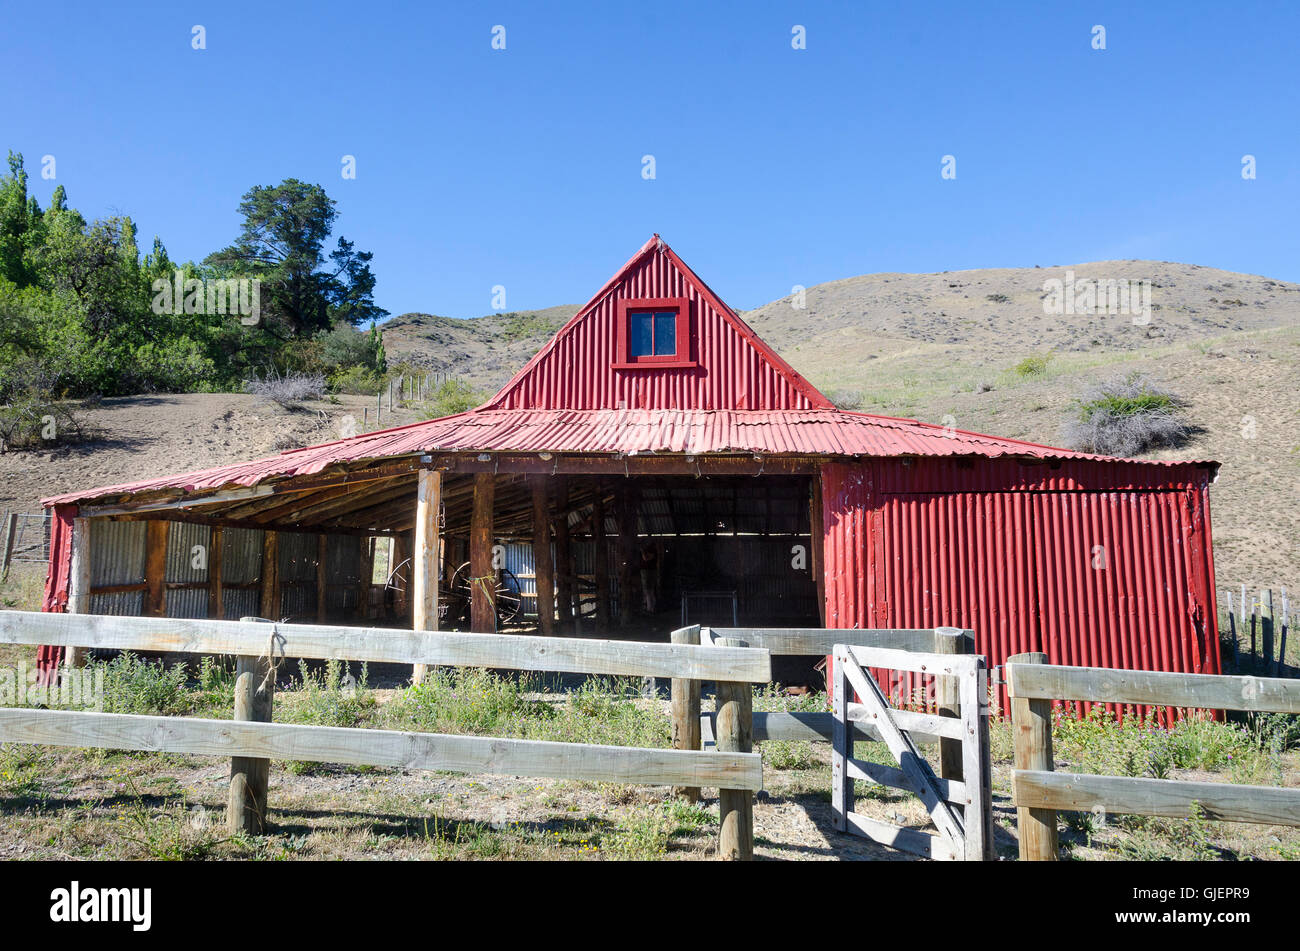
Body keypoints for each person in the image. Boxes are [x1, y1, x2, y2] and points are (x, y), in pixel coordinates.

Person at [639, 542, 658, 613]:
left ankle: (649, 609)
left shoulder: (652, 550)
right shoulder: (652, 550)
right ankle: (649, 608)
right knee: (649, 591)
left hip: (648, 571)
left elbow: (645, 558)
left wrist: (642, 551)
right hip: (649, 571)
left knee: (648, 591)